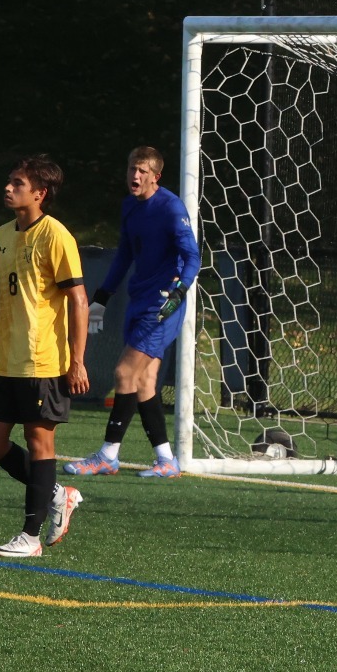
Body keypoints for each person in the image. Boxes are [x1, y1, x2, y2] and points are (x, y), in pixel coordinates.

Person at [0, 156, 91, 557]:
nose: (8, 187)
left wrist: (78, 359)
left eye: (17, 183)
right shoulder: (2, 234)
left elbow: (78, 299)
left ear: (40, 193)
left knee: (40, 442)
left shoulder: (56, 236)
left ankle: (31, 537)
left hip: (42, 360)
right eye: (9, 181)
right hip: (5, 360)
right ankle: (56, 494)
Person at [67, 146, 199, 479]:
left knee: (124, 373)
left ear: (156, 176)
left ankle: (108, 455)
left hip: (162, 304)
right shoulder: (129, 207)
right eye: (131, 169)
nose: (134, 176)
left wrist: (177, 295)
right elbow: (124, 256)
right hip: (138, 298)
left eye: (142, 171)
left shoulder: (171, 208)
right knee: (144, 382)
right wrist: (101, 299)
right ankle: (167, 460)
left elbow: (193, 257)